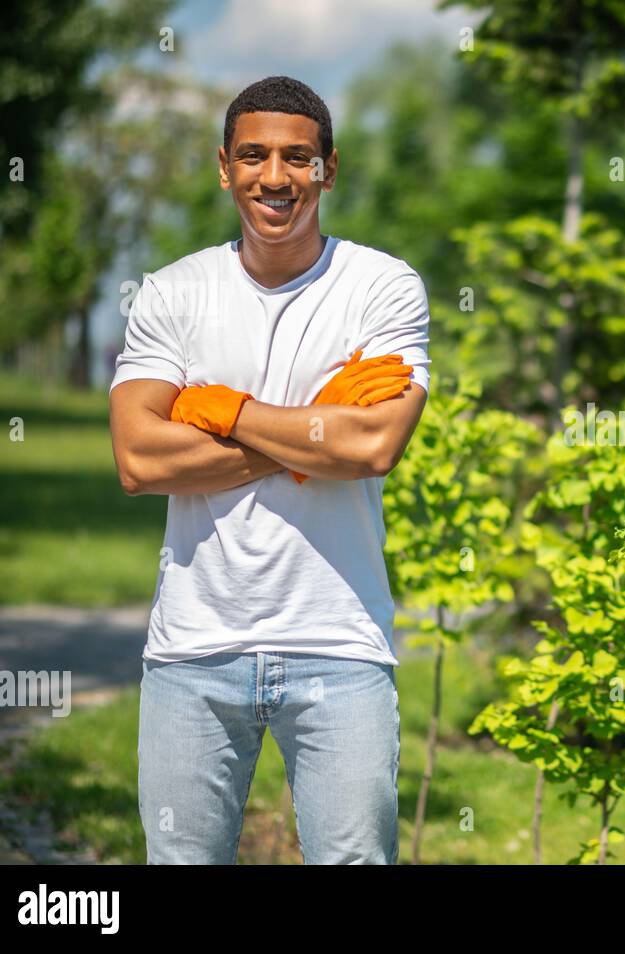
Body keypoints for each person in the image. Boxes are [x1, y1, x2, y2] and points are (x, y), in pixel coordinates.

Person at [107, 75, 430, 865]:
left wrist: (217, 406)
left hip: (341, 644)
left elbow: (373, 447)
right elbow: (139, 459)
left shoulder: (383, 286)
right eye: (254, 156)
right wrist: (313, 425)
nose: (275, 177)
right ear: (224, 167)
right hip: (194, 650)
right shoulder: (174, 292)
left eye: (298, 158)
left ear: (329, 169)